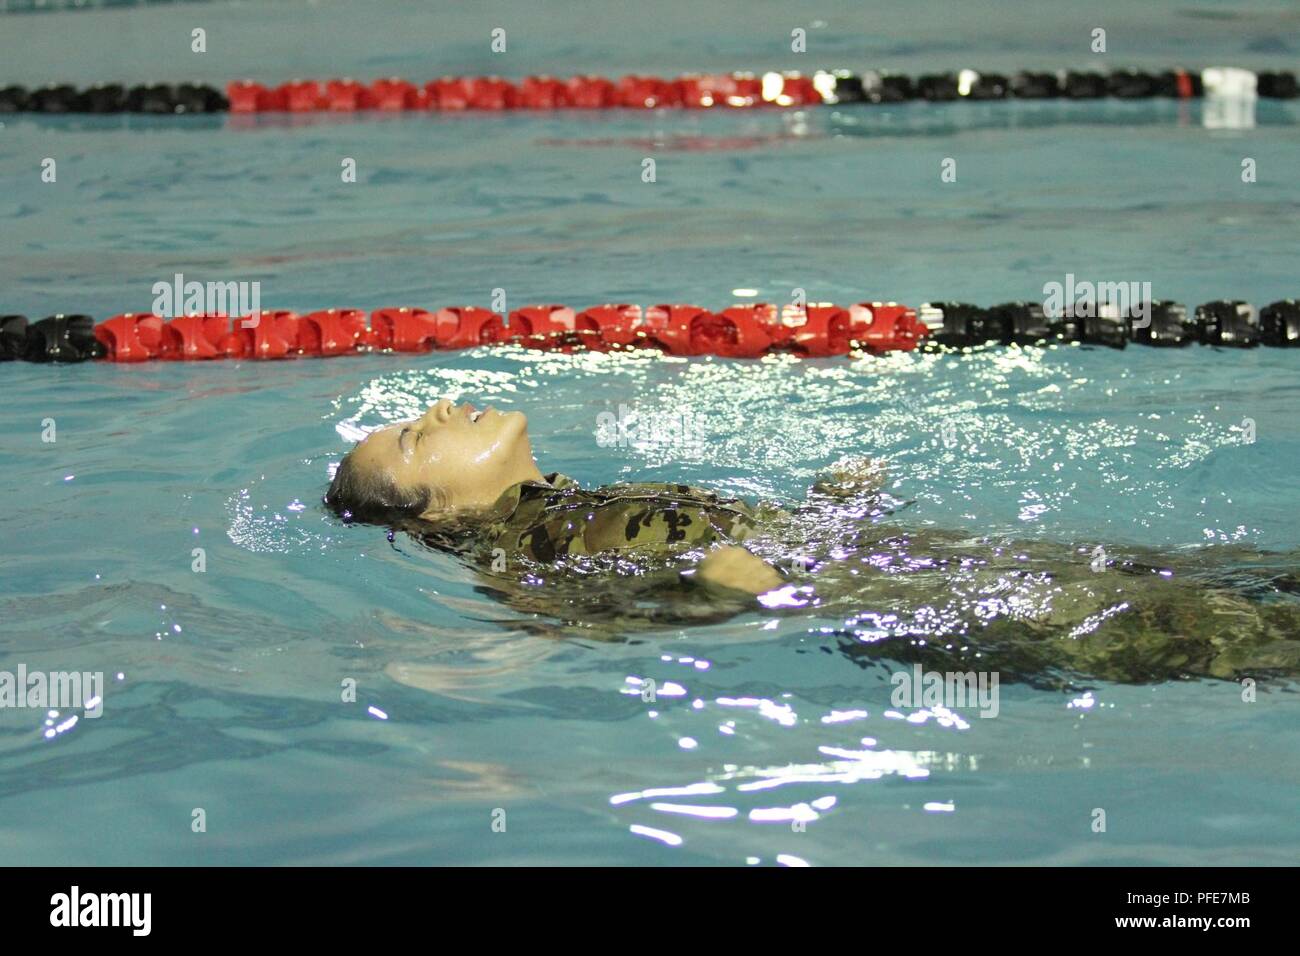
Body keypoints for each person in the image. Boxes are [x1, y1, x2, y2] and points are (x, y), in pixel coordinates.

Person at [325, 399, 1300, 685]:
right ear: (437, 511)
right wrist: (785, 576)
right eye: (419, 435)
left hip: (914, 566)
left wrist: (827, 514)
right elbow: (680, 587)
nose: (443, 406)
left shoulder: (561, 509)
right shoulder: (540, 543)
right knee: (1249, 638)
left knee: (1243, 585)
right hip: (925, 599)